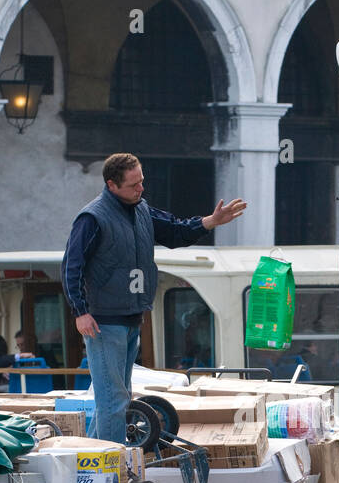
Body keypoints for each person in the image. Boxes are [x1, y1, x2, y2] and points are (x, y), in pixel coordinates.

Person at [61, 152, 246, 444]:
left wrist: (211, 221)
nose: (140, 189)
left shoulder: (142, 209)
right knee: (114, 399)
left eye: (141, 182)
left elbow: (176, 232)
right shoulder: (92, 218)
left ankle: (93, 463)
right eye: (133, 185)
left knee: (115, 397)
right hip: (103, 322)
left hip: (131, 317)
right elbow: (71, 266)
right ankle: (114, 473)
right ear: (112, 185)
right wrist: (80, 311)